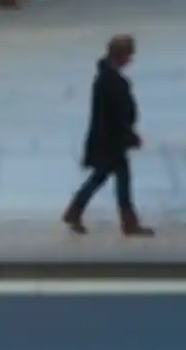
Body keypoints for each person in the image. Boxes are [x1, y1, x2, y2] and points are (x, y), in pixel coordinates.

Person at [62, 35, 154, 237]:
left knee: (101, 177)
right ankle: (128, 223)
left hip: (108, 140)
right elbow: (117, 116)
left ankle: (75, 211)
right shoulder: (113, 82)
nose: (130, 60)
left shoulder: (105, 78)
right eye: (129, 55)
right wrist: (130, 136)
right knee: (119, 180)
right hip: (112, 142)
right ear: (121, 56)